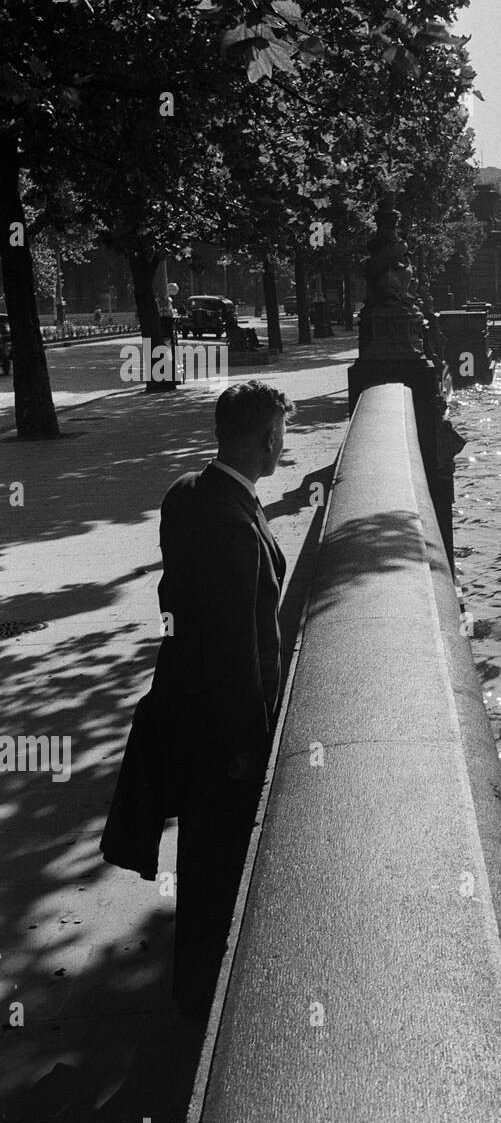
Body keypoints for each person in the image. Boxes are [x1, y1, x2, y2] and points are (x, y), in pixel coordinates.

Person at [101, 380, 295, 1017]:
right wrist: (249, 743)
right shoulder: (236, 527)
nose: (282, 443)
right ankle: (206, 1003)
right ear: (268, 440)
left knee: (202, 861)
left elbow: (174, 599)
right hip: (221, 731)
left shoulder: (185, 493)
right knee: (219, 865)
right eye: (281, 433)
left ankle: (194, 983)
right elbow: (240, 649)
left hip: (181, 704)